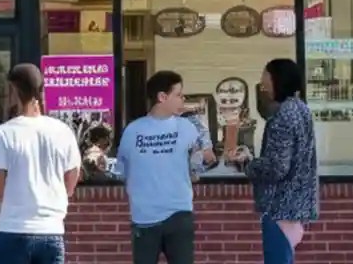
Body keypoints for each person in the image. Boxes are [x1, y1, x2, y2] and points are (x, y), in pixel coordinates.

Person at [0, 63, 82, 264]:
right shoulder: (63, 131)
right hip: (51, 230)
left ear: (13, 91)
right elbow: (71, 180)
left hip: (13, 229)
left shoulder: (1, 134)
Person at [118, 70, 215, 264]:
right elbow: (122, 170)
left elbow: (198, 167)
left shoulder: (187, 127)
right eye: (178, 95)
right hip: (144, 217)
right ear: (162, 97)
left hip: (179, 213)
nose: (183, 99)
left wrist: (205, 159)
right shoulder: (133, 131)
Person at [230, 59, 319, 264]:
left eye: (266, 77)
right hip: (296, 204)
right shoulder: (301, 109)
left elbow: (278, 166)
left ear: (277, 79)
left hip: (279, 205)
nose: (263, 84)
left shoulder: (283, 115)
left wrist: (248, 164)